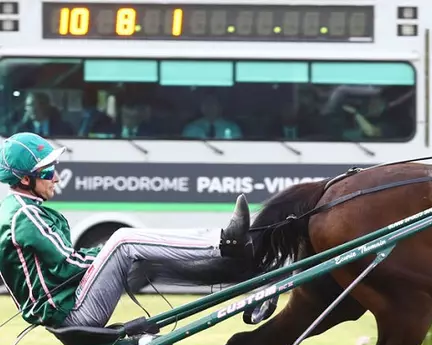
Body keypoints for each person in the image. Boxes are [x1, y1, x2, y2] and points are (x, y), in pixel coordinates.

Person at [0, 132, 254, 330]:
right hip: (72, 315)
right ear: (24, 180)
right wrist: (109, 253)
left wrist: (108, 255)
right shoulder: (25, 214)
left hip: (65, 309)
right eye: (47, 171)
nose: (56, 177)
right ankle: (224, 242)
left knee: (122, 244)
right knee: (123, 240)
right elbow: (69, 264)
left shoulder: (18, 208)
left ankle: (221, 244)